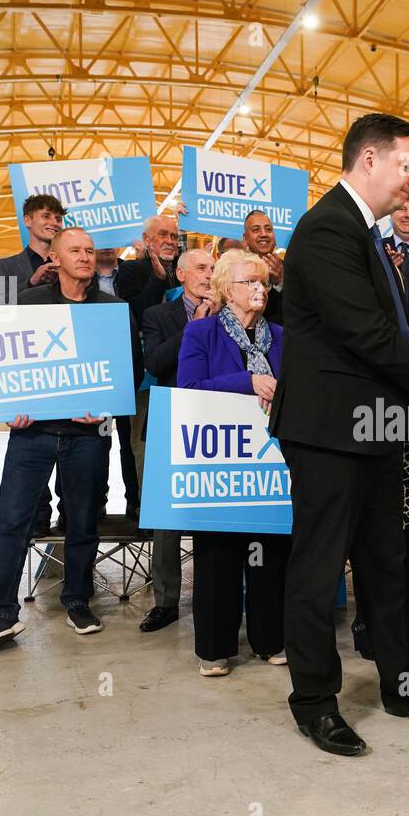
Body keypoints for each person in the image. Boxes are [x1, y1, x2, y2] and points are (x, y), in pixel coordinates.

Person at [267, 112, 409, 757]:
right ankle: (313, 700)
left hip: (379, 429)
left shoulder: (370, 234)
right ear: (370, 161)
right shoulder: (328, 228)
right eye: (407, 164)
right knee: (317, 567)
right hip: (330, 433)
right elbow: (366, 332)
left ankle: (402, 682)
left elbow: (385, 334)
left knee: (387, 566)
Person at [0, 228, 119, 652]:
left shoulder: (111, 308)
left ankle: (77, 600)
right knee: (12, 523)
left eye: (89, 251)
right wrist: (10, 406)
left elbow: (124, 369)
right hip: (33, 432)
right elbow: (2, 360)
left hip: (88, 435)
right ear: (55, 259)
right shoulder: (26, 304)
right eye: (74, 250)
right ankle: (1, 615)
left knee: (83, 522)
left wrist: (106, 404)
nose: (84, 256)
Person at [175, 250, 288, 675]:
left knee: (270, 554)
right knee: (218, 556)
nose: (260, 289)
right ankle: (215, 648)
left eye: (262, 282)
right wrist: (247, 382)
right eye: (249, 282)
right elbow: (189, 386)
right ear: (226, 289)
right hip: (218, 461)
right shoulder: (201, 333)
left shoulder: (281, 334)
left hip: (270, 462)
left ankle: (271, 638)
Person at [138, 248, 215, 635]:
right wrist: (194, 327)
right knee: (167, 518)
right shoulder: (159, 316)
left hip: (219, 423)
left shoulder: (230, 314)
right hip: (173, 421)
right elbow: (156, 364)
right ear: (181, 274)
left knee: (216, 514)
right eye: (201, 268)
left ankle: (215, 595)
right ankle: (165, 601)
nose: (208, 274)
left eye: (214, 269)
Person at [115, 215, 183, 520]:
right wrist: (156, 279)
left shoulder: (189, 270)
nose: (170, 240)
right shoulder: (130, 270)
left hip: (186, 379)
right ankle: (145, 507)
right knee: (142, 447)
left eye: (174, 235)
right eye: (163, 235)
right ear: (147, 239)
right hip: (145, 377)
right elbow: (136, 315)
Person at [0, 193, 65, 304]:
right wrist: (31, 282)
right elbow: (0, 306)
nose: (55, 223)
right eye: (46, 216)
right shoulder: (5, 266)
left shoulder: (69, 263)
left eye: (58, 219)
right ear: (27, 221)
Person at [242, 209, 285, 325]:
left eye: (268, 229)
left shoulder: (289, 268)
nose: (264, 234)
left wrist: (281, 283)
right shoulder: (236, 269)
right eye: (256, 230)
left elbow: (299, 310)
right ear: (245, 239)